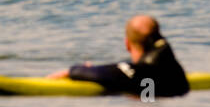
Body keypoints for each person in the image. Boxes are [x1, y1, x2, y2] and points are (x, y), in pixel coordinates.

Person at [48, 14, 189, 97]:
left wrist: (74, 70)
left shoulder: (138, 72)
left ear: (127, 44)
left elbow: (102, 74)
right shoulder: (172, 65)